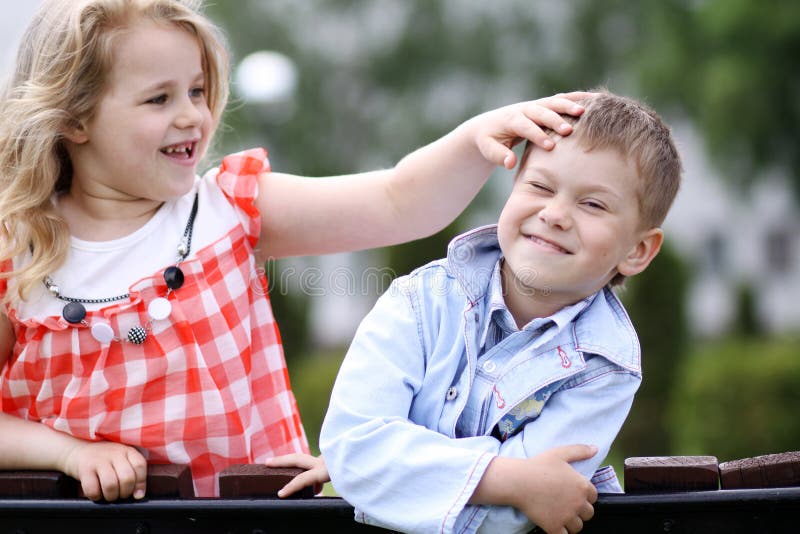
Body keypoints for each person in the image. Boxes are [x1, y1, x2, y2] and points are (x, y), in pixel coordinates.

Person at [0, 0, 589, 502]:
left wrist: (476, 139)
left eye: (199, 91)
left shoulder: (230, 211)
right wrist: (70, 453)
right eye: (159, 99)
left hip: (249, 518)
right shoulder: (21, 251)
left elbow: (397, 201)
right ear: (75, 118)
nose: (193, 116)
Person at [320, 90, 682, 534]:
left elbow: (510, 519)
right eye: (540, 186)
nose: (554, 214)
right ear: (513, 187)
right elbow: (354, 451)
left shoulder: (605, 365)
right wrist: (509, 478)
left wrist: (393, 476)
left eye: (592, 204)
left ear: (638, 250)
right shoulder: (419, 301)